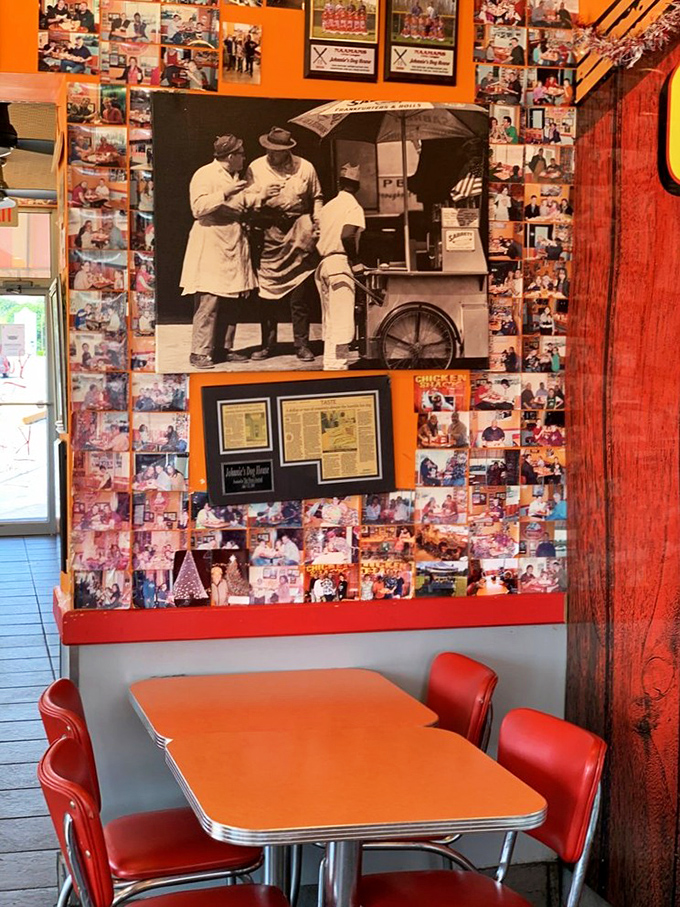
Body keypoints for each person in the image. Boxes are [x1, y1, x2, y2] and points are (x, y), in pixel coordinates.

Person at [180, 134, 274, 369]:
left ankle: (223, 348)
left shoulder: (235, 177)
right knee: (209, 300)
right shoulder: (205, 174)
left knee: (232, 299)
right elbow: (198, 207)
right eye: (241, 154)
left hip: (233, 242)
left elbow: (242, 203)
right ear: (231, 156)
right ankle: (199, 352)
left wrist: (261, 196)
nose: (244, 158)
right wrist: (225, 192)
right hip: (211, 242)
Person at [247, 127, 323, 362]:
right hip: (269, 231)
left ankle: (302, 344)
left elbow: (317, 197)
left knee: (299, 295)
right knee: (266, 293)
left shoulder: (305, 167)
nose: (271, 154)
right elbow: (246, 199)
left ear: (287, 150)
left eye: (276, 150)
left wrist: (317, 223)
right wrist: (262, 196)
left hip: (299, 231)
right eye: (268, 149)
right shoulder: (256, 168)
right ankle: (267, 345)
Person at [314, 163, 364, 370]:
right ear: (358, 186)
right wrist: (356, 261)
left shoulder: (328, 207)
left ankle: (330, 364)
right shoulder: (353, 207)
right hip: (339, 264)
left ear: (339, 184)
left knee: (331, 320)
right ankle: (339, 366)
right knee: (342, 319)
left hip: (324, 264)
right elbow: (347, 235)